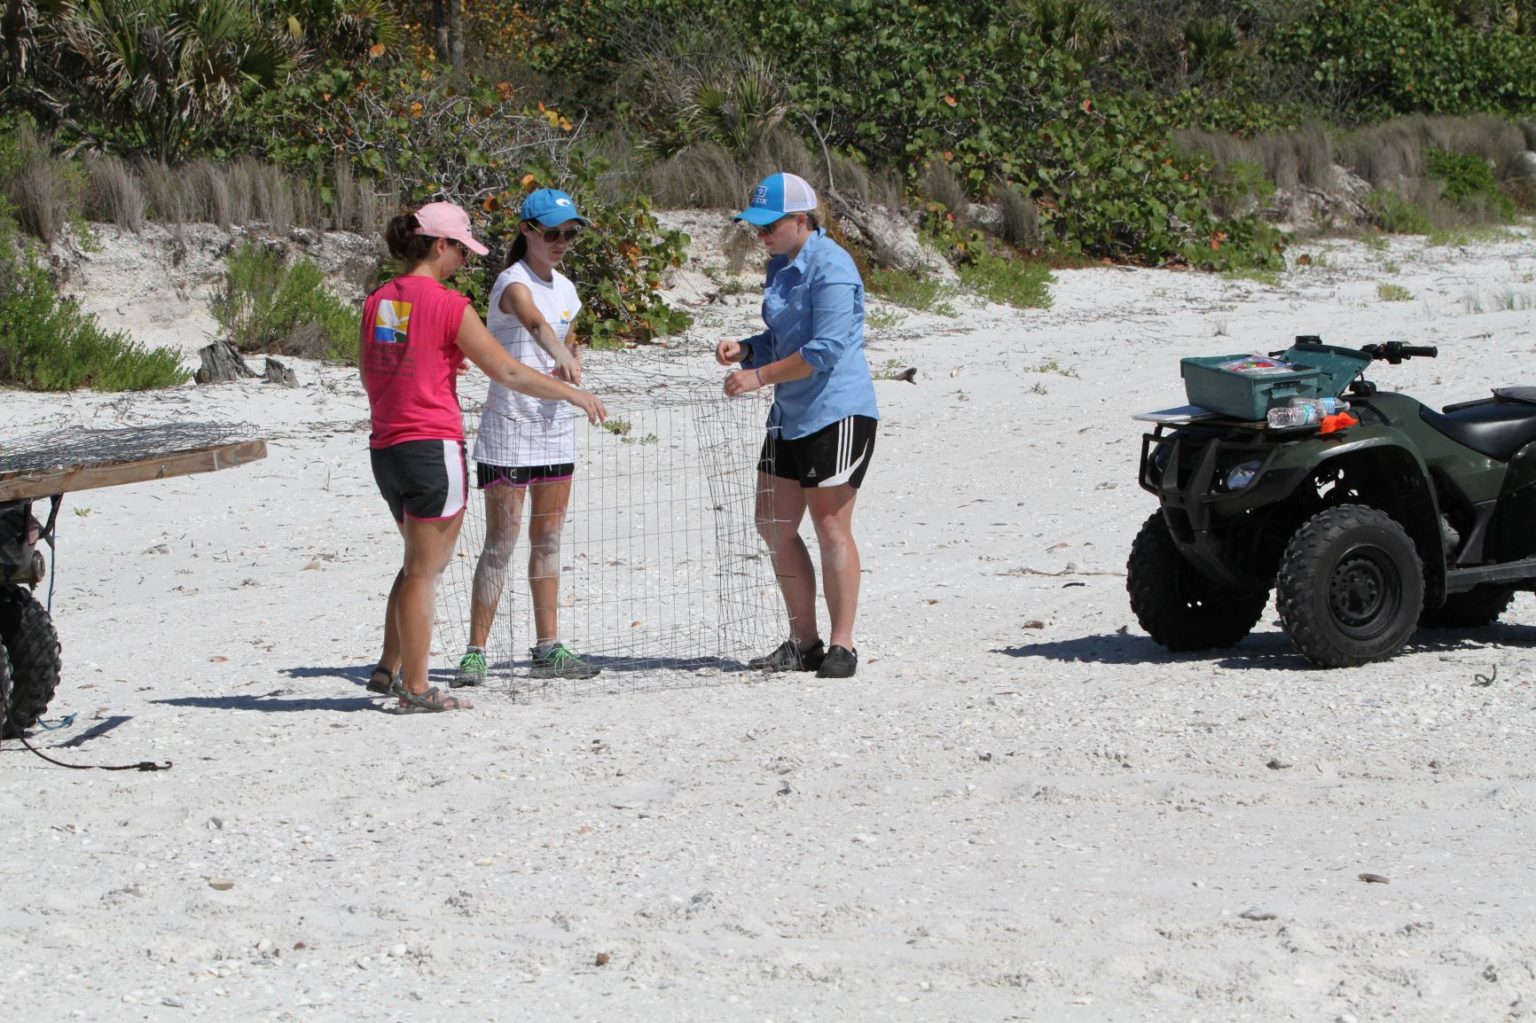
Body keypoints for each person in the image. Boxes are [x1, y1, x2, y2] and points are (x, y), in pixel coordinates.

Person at [361, 200, 606, 713]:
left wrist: (437, 368)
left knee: (414, 565)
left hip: (386, 447)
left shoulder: (380, 301)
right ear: (440, 245)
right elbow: (509, 371)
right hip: (432, 444)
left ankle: (389, 668)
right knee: (427, 572)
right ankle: (418, 685)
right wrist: (574, 394)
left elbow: (382, 367)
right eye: (460, 250)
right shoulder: (451, 304)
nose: (464, 262)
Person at [716, 172, 878, 679]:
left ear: (801, 221)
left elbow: (824, 351)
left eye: (769, 226)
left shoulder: (832, 266)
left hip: (836, 411)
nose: (760, 235)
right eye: (755, 227)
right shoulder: (779, 267)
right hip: (789, 415)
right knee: (773, 525)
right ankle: (802, 641)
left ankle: (842, 644)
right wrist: (748, 349)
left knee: (831, 527)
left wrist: (758, 375)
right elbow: (783, 337)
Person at [455, 188, 601, 685]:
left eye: (568, 234)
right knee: (501, 541)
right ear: (527, 232)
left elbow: (566, 334)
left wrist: (572, 358)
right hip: (509, 427)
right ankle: (475, 650)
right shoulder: (511, 282)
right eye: (551, 234)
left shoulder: (568, 288)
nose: (561, 242)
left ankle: (548, 646)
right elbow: (535, 323)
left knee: (549, 537)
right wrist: (559, 354)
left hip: (555, 427)